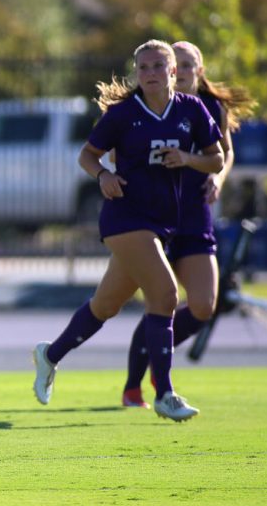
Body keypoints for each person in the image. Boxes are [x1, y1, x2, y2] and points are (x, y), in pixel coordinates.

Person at [31, 39, 223, 422]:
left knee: (105, 306)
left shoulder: (192, 109)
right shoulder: (123, 114)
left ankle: (49, 355)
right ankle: (165, 393)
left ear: (173, 72)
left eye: (158, 66)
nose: (150, 73)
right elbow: (87, 155)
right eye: (143, 67)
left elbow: (216, 159)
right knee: (165, 294)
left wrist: (187, 158)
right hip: (125, 217)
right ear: (136, 73)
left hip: (163, 221)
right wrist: (102, 174)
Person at [119, 41, 254, 407]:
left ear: (198, 70)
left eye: (187, 65)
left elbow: (223, 154)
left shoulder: (208, 108)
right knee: (156, 300)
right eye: (172, 63)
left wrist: (217, 178)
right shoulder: (147, 107)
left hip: (194, 214)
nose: (177, 71)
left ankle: (155, 354)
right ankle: (135, 387)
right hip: (154, 218)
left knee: (203, 306)